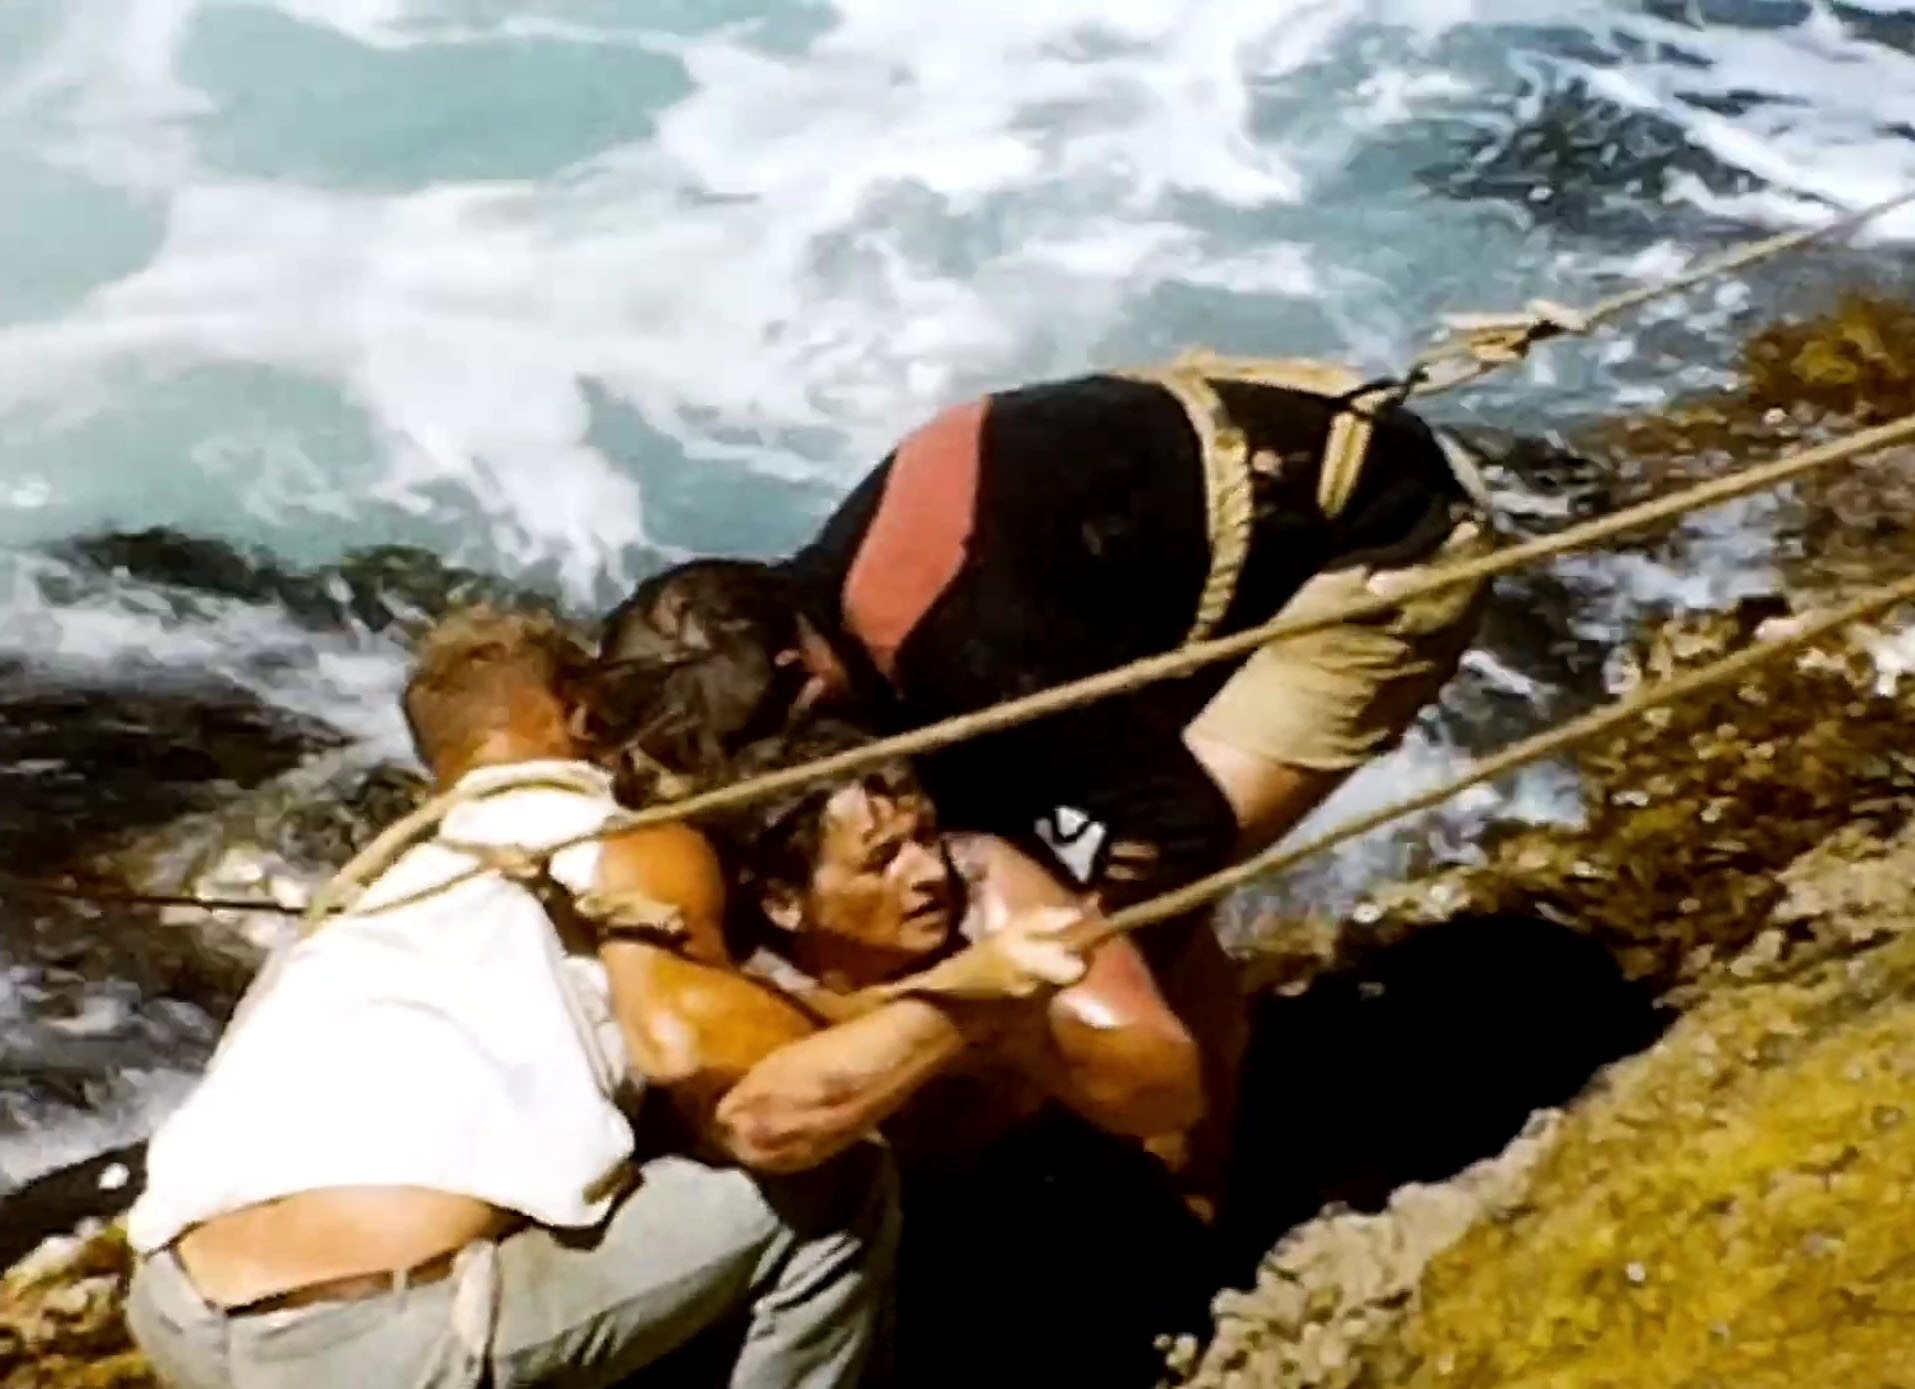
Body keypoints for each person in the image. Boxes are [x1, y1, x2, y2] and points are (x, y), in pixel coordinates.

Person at [595, 352, 1497, 1201]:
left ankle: (1200, 1173)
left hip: (1376, 533)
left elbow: (1178, 825)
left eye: (765, 744)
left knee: (1143, 933)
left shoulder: (968, 647)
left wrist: (1051, 975)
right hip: (1181, 484)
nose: (769, 775)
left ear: (802, 671)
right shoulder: (843, 595)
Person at [120, 605, 927, 1389]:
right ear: (582, 716)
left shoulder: (368, 883)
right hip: (370, 1343)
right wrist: (945, 1011)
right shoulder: (618, 839)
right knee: (837, 1180)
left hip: (179, 1311)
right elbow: (702, 1056)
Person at [701, 716, 1206, 1173]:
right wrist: (959, 1005)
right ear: (784, 903)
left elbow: (1171, 1091)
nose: (929, 871)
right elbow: (763, 1131)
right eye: (884, 860)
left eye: (925, 836)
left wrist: (1028, 1037)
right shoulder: (751, 971)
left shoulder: (985, 891)